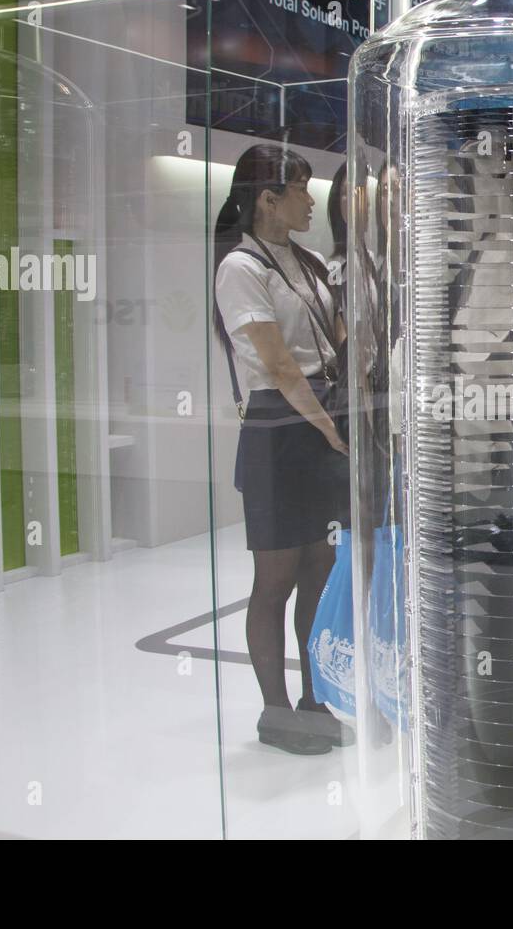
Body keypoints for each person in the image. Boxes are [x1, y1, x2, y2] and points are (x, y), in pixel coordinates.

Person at [213, 143, 353, 755]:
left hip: (323, 418)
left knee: (320, 572)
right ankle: (275, 711)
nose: (311, 197)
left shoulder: (312, 261)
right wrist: (328, 428)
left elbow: (339, 341)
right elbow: (276, 364)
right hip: (280, 428)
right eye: (300, 187)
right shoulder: (240, 269)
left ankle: (315, 697)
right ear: (268, 198)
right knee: (275, 578)